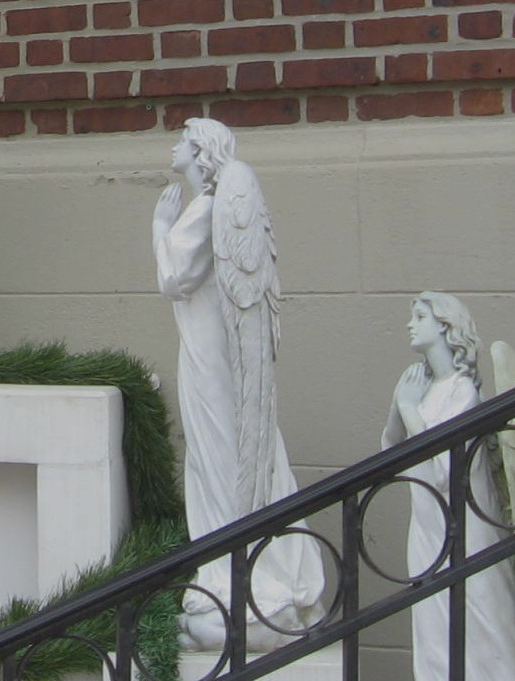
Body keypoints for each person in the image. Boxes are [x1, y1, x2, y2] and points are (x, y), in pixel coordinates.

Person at [152, 117, 324, 650]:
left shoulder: (207, 208)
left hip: (212, 360)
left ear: (201, 151)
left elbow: (174, 278)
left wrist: (158, 227)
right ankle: (228, 572)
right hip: (208, 354)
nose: (174, 145)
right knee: (214, 456)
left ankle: (246, 577)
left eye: (182, 138)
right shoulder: (211, 204)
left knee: (220, 456)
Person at [381, 293, 515, 681]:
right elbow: (392, 451)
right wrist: (401, 402)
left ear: (446, 326)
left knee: (482, 620)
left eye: (420, 317)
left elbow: (443, 467)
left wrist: (410, 408)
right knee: (433, 626)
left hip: (467, 529)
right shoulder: (420, 386)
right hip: (427, 528)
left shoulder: (463, 391)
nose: (410, 324)